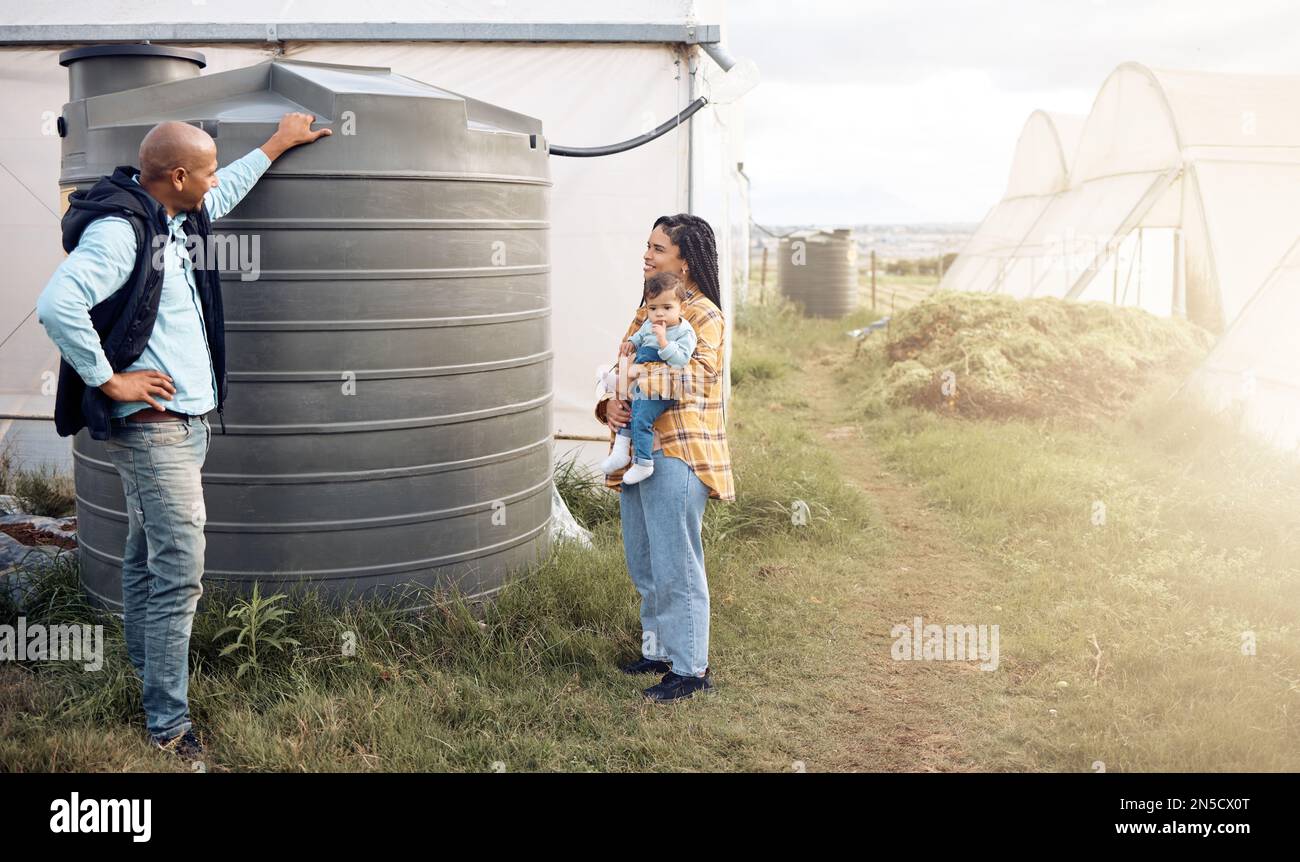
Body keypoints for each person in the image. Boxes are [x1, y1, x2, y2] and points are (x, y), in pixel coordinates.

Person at [35, 114, 331, 759]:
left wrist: (278, 144)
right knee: (179, 573)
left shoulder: (174, 216)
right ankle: (168, 725)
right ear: (176, 176)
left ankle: (143, 674)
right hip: (154, 432)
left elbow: (222, 192)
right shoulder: (122, 232)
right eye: (205, 167)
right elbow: (58, 304)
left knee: (147, 556)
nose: (213, 178)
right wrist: (109, 379)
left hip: (185, 424)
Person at [595, 214, 735, 702]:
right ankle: (659, 652)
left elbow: (695, 379)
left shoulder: (704, 316)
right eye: (647, 246)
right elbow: (620, 368)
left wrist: (632, 385)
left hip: (676, 452)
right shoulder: (649, 309)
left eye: (658, 248)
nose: (647, 255)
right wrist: (610, 404)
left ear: (686, 261)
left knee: (677, 563)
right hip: (639, 449)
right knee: (646, 561)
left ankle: (691, 669)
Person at [598, 271, 697, 484]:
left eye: (667, 308)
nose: (659, 314)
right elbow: (640, 335)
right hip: (643, 381)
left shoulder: (684, 332)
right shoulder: (648, 324)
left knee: (642, 416)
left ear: (682, 307)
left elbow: (680, 361)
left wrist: (663, 342)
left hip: (663, 387)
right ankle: (621, 451)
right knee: (630, 408)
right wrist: (631, 343)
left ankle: (644, 462)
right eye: (653, 308)